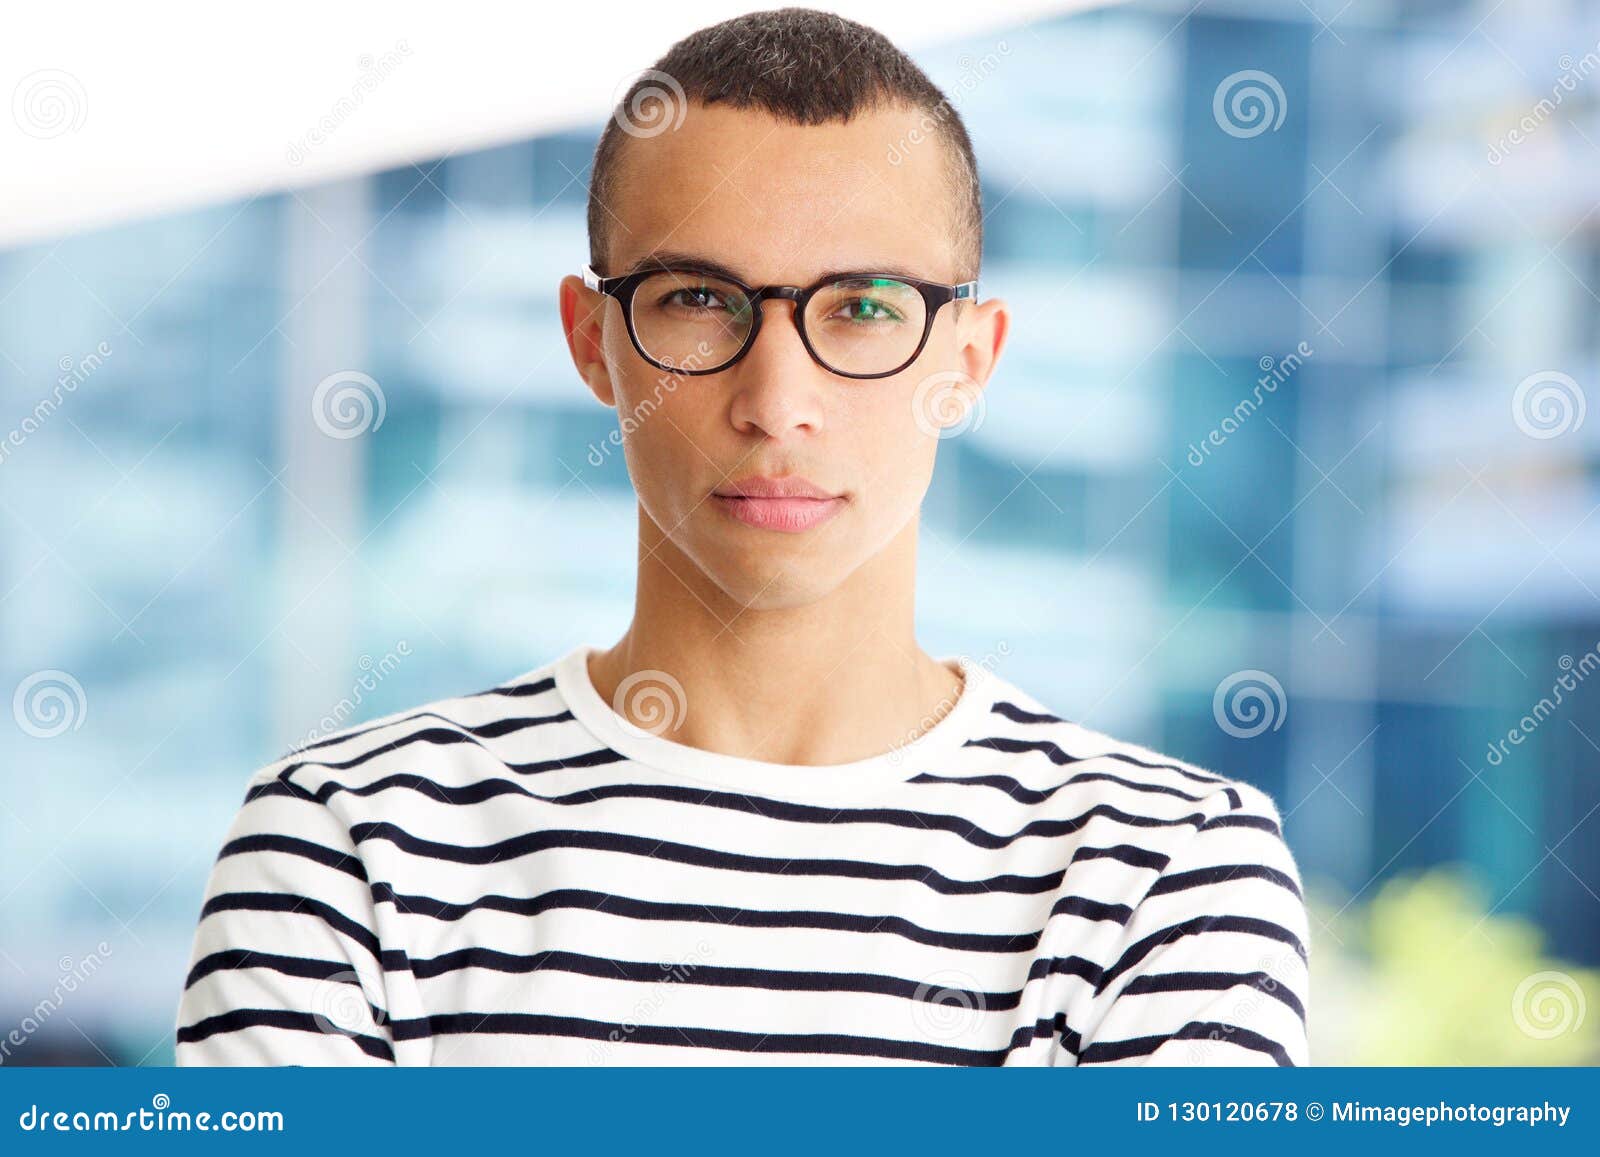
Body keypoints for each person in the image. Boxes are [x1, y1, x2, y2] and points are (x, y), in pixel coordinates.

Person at [175, 6, 1311, 1066]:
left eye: (863, 307)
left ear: (968, 358)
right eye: (697, 299)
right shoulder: (348, 844)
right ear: (589, 340)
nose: (777, 400)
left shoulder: (1168, 869)